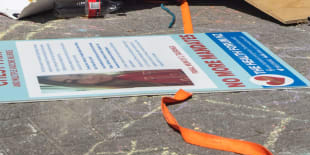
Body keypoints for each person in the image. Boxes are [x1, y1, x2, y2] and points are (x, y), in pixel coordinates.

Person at [38, 69, 193, 90]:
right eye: (75, 81)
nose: (89, 77)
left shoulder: (128, 72)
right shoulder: (130, 84)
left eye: (77, 74)